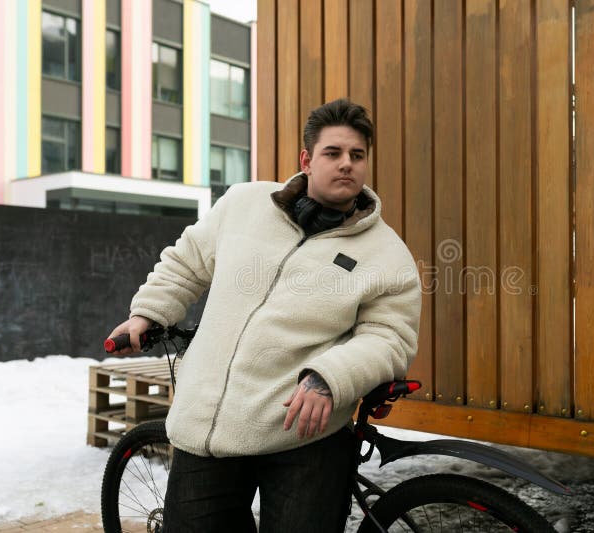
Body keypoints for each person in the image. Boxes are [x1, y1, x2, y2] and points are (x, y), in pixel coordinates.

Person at [107, 99, 422, 532]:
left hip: (302, 433)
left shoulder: (386, 254)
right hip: (206, 426)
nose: (346, 164)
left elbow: (389, 338)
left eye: (357, 155)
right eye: (333, 153)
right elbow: (188, 262)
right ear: (306, 160)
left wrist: (330, 376)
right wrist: (147, 313)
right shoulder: (243, 203)